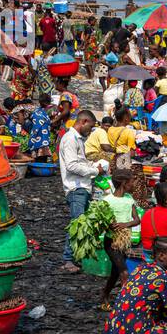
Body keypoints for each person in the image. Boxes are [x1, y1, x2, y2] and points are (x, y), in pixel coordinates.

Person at [59, 110, 107, 273]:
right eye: (90, 127)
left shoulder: (77, 139)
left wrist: (93, 166)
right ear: (84, 121)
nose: (90, 131)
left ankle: (75, 257)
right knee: (77, 223)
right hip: (76, 187)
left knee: (80, 224)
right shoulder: (70, 139)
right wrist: (95, 171)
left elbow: (79, 162)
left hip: (81, 186)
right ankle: (68, 259)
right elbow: (72, 166)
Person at [99, 169, 143, 303]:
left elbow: (137, 220)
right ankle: (125, 304)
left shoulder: (129, 199)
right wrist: (109, 225)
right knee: (124, 273)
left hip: (124, 242)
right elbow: (100, 223)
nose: (134, 185)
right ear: (124, 183)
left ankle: (105, 295)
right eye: (132, 182)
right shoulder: (107, 201)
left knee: (115, 272)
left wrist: (125, 224)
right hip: (112, 242)